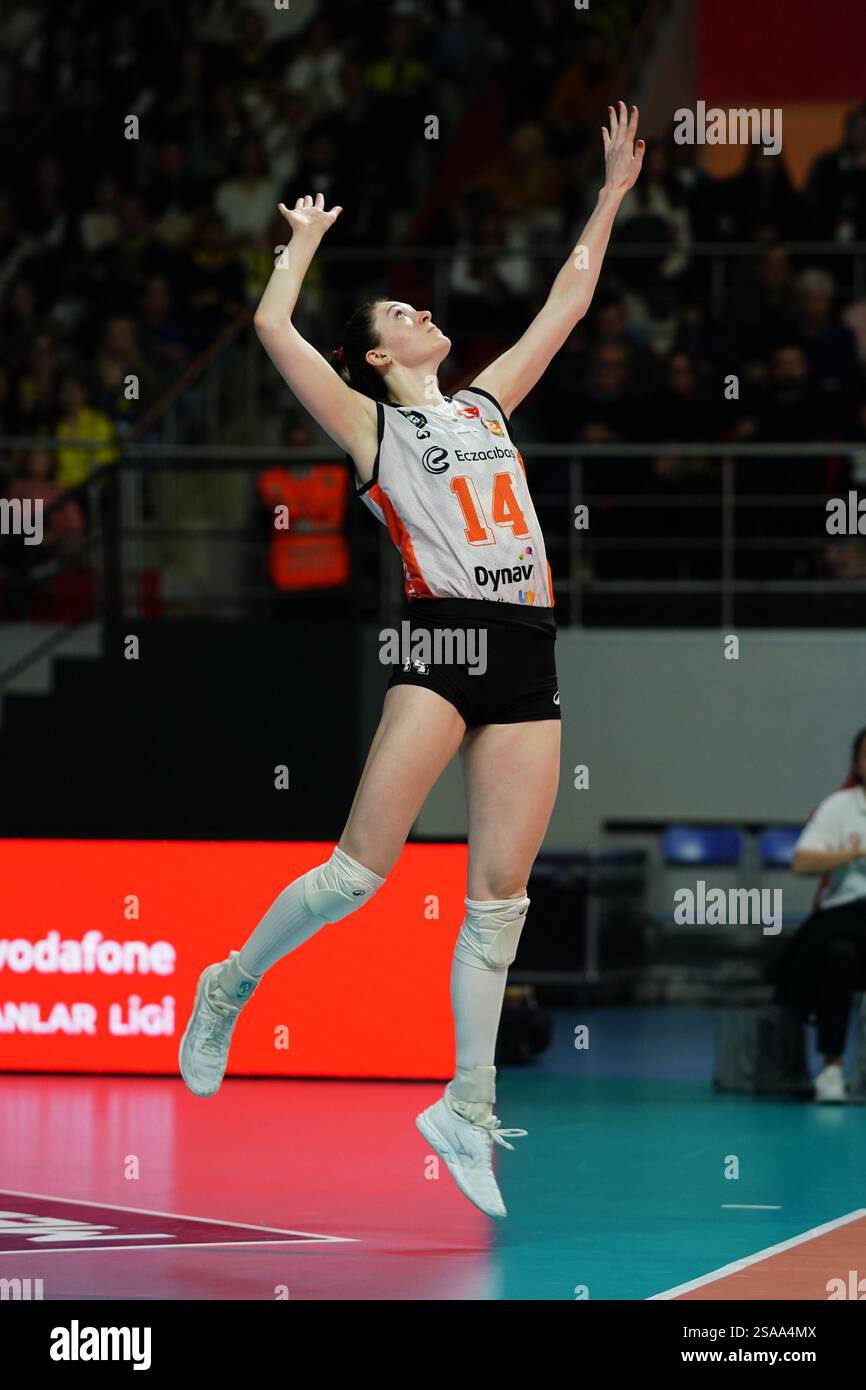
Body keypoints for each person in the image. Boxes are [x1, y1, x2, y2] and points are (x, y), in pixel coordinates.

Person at [179, 103, 646, 1217]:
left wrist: (609, 196)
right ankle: (229, 985)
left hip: (527, 644)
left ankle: (465, 1106)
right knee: (358, 872)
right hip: (443, 638)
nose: (422, 310)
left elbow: (567, 300)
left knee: (499, 902)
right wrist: (299, 246)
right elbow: (273, 330)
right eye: (400, 313)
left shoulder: (486, 404)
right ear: (380, 357)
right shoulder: (370, 427)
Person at [766, 728, 866, 1102]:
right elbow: (802, 863)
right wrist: (855, 854)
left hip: (837, 927)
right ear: (857, 763)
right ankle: (832, 1069)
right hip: (847, 920)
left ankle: (785, 972)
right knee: (838, 954)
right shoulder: (839, 808)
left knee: (828, 938)